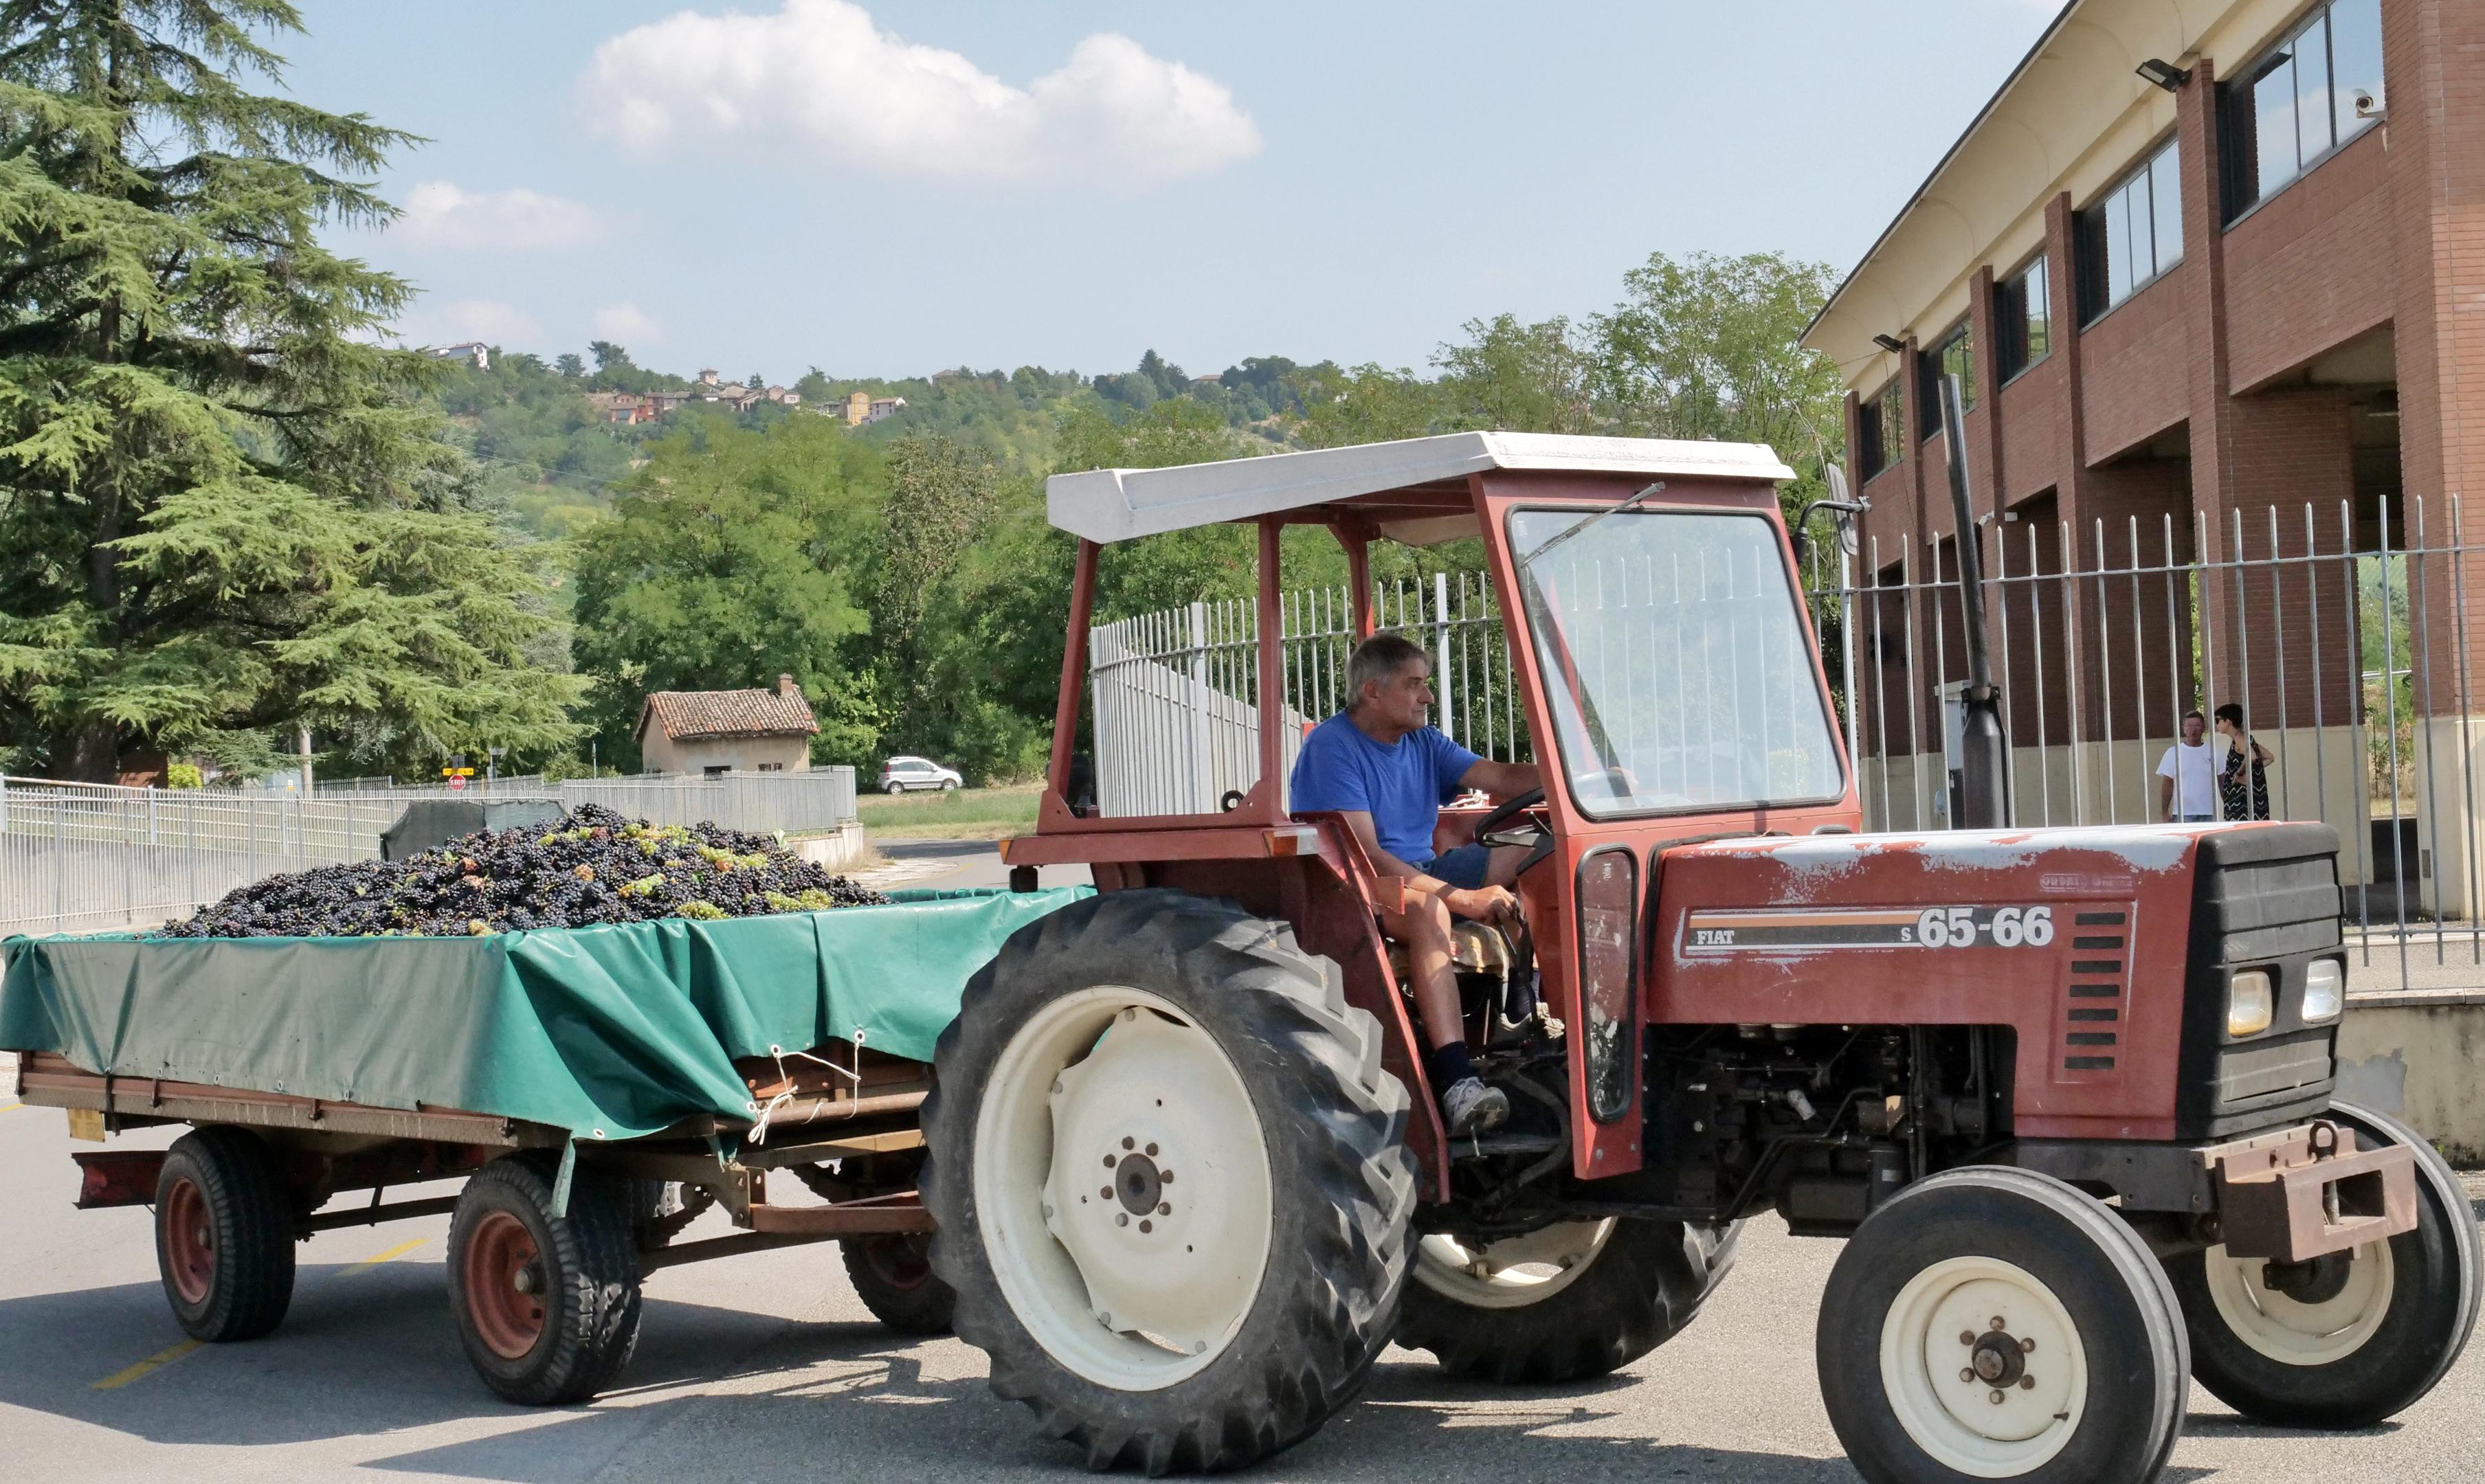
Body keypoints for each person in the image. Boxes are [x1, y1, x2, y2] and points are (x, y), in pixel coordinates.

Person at [1289, 633, 1542, 1136]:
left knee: (1541, 848)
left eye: (1425, 684)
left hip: (1422, 869)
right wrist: (1466, 899)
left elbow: (1499, 776)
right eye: (1415, 685)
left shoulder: (1422, 742)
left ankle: (1529, 1014)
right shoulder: (1333, 747)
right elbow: (1366, 857)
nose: (1428, 697)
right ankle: (1456, 1082)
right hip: (1355, 886)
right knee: (1429, 910)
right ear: (1372, 693)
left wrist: (1578, 778)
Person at [2214, 702, 2273, 821]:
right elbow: (2269, 757)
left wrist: (2239, 774)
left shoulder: (2240, 738)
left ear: (2228, 721)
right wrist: (2252, 772)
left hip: (2241, 801)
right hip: (2255, 798)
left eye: (2218, 721)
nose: (2217, 725)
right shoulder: (2246, 738)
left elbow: (2252, 756)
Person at [2157, 710, 2217, 822]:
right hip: (2182, 813)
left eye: (2197, 726)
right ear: (2184, 728)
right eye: (2189, 726)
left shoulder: (2214, 752)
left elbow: (2223, 781)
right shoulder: (2172, 753)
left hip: (2209, 813)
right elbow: (2167, 784)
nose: (2193, 730)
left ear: (2203, 728)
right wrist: (2164, 812)